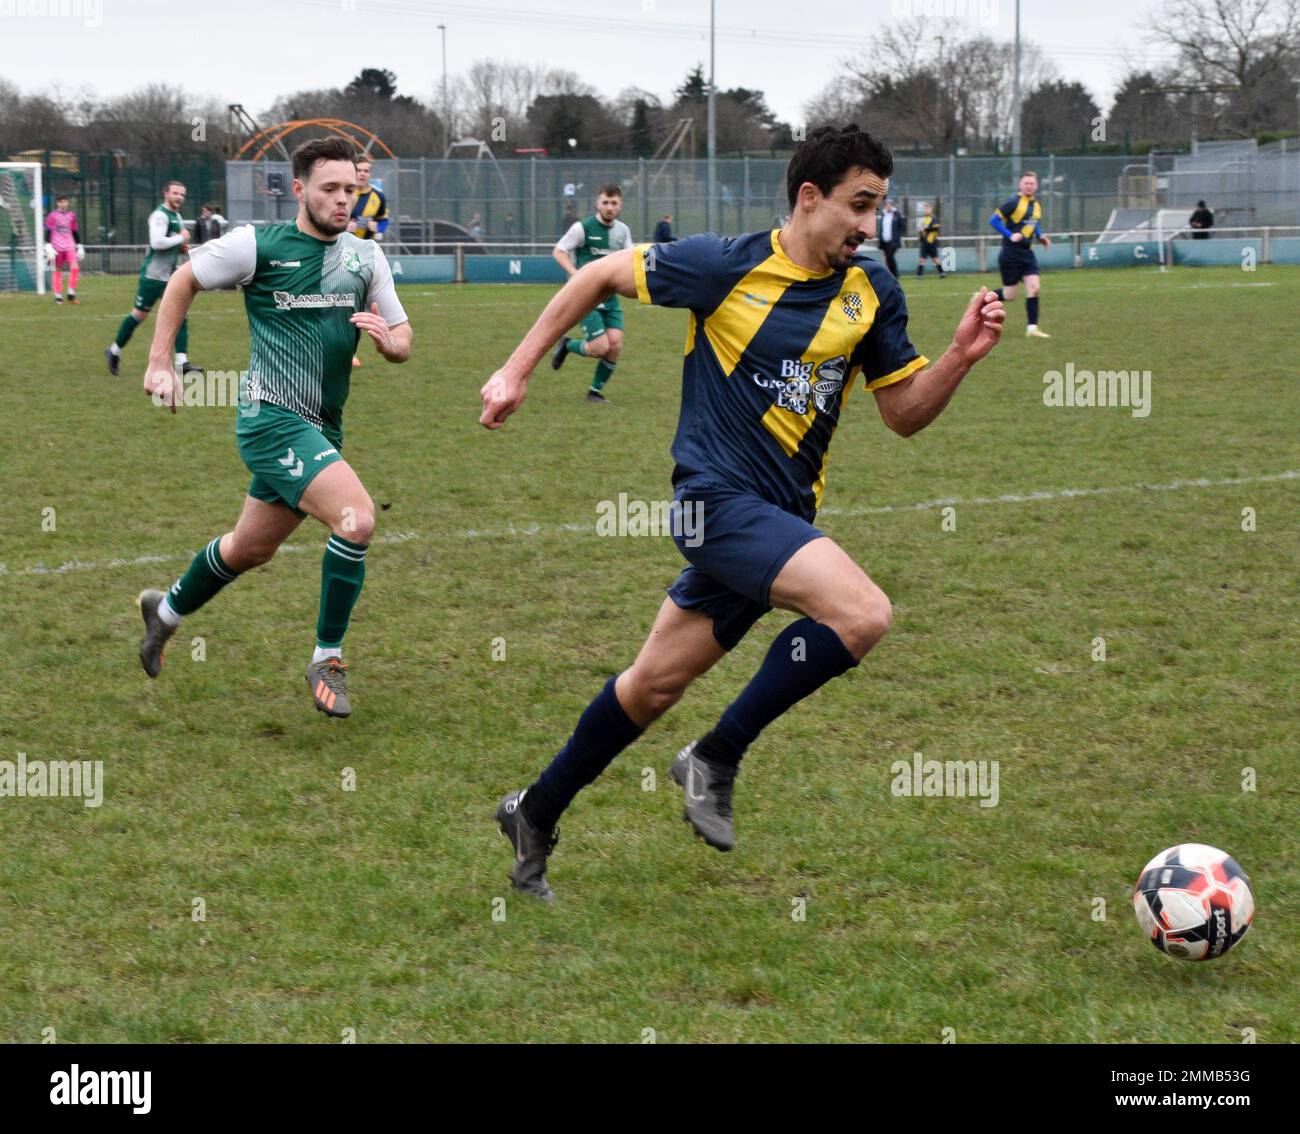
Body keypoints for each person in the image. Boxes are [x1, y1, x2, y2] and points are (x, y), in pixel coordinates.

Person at [479, 124, 1006, 901]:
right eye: (858, 206)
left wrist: (959, 357)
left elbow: (902, 414)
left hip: (775, 521)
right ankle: (715, 756)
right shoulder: (723, 265)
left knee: (651, 687)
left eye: (879, 209)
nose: (869, 226)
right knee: (861, 613)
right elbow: (594, 275)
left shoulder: (872, 293)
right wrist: (514, 370)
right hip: (711, 506)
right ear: (808, 197)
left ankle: (535, 810)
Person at [134, 136, 413, 719]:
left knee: (249, 549)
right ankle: (327, 659)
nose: (343, 201)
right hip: (270, 421)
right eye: (330, 189)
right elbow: (182, 280)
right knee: (356, 519)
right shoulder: (256, 246)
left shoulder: (365, 258)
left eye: (351, 191)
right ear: (299, 190)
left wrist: (390, 344)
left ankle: (164, 614)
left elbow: (404, 339)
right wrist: (161, 362)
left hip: (323, 430)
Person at [106, 181, 201, 376]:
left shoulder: (177, 216)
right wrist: (180, 238)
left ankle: (182, 362)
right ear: (166, 193)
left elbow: (173, 241)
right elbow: (157, 242)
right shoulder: (159, 215)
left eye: (182, 194)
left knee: (181, 314)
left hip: (169, 276)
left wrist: (182, 246)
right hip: (152, 276)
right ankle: (114, 351)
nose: (179, 197)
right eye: (175, 193)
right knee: (139, 315)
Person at [549, 184, 634, 403]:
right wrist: (575, 275)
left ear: (620, 205)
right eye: (605, 202)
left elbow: (631, 259)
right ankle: (567, 344)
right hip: (586, 296)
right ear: (597, 203)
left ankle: (594, 392)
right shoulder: (582, 228)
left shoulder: (622, 231)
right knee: (600, 347)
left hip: (610, 296)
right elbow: (559, 251)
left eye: (614, 203)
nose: (609, 207)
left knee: (615, 345)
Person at [988, 170, 1051, 338]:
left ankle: (1032, 329)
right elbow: (993, 220)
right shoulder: (1013, 202)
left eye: (1032, 183)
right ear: (1020, 185)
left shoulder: (1036, 205)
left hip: (1027, 254)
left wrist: (1040, 236)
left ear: (1036, 186)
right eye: (1026, 183)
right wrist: (1010, 235)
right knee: (1009, 295)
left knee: (1034, 287)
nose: (1029, 186)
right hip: (1010, 254)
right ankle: (983, 299)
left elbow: (1032, 223)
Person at [347, 157, 390, 368]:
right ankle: (348, 352)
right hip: (344, 251)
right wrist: (344, 227)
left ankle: (351, 352)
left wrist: (376, 227)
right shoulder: (345, 193)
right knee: (348, 303)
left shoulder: (377, 197)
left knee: (359, 304)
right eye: (360, 170)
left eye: (366, 170)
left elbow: (384, 222)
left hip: (367, 254)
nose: (363, 173)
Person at [44, 195, 83, 304]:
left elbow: (74, 231)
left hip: (69, 245)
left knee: (75, 268)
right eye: (62, 202)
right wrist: (48, 244)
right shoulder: (52, 215)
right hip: (55, 246)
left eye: (66, 202)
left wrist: (79, 245)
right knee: (56, 270)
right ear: (58, 203)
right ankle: (58, 297)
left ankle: (71, 292)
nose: (64, 204)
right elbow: (48, 231)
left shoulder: (72, 215)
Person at [915, 202, 946, 277]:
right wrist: (921, 233)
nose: (926, 210)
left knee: (935, 258)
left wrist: (926, 229)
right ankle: (919, 275)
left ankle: (942, 272)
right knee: (922, 258)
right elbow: (921, 231)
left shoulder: (934, 218)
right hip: (924, 242)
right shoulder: (922, 219)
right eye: (925, 209)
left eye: (928, 209)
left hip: (932, 241)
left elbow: (936, 228)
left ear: (931, 210)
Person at [876, 197, 901, 277]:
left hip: (893, 241)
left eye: (890, 204)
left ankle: (895, 273)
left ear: (892, 206)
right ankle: (889, 273)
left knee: (890, 256)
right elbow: (882, 227)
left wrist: (897, 235)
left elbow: (902, 226)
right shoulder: (883, 214)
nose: (888, 206)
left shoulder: (897, 214)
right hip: (884, 241)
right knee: (887, 257)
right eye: (887, 204)